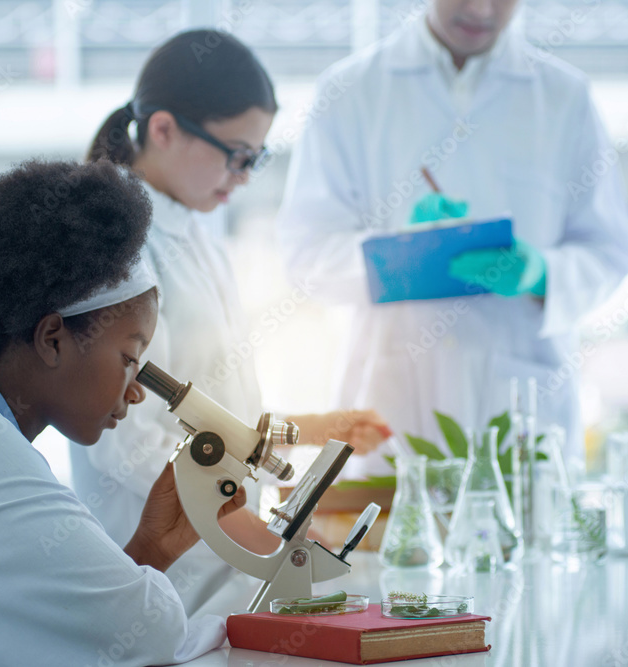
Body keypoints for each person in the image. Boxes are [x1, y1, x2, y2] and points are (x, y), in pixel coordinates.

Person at [0, 159, 245, 666]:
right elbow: (146, 634)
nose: (137, 392)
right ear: (53, 338)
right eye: (129, 358)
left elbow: (72, 633)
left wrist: (152, 548)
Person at [72, 30, 391, 615]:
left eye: (257, 157)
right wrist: (265, 540)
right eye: (236, 154)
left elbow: (207, 404)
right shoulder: (118, 248)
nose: (245, 174)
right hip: (160, 573)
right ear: (164, 129)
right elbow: (128, 441)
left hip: (219, 574)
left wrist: (313, 426)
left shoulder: (196, 228)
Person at [275, 0, 628, 456]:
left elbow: (609, 249)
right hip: (391, 404)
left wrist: (542, 272)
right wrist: (394, 256)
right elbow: (305, 253)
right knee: (390, 522)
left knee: (523, 512)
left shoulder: (564, 96)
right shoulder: (349, 90)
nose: (481, 9)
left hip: (525, 402)